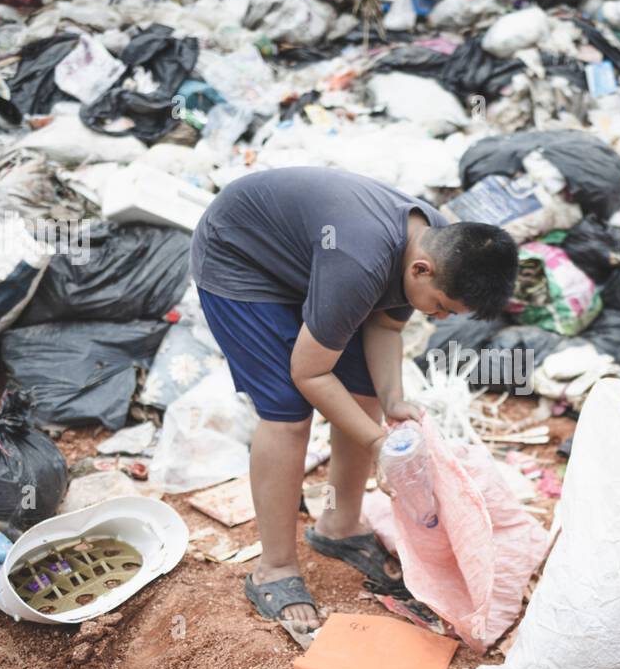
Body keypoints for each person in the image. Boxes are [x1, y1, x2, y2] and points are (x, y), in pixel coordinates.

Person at [191, 166, 519, 632]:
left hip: (308, 262)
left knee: (361, 388)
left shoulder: (432, 243)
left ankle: (339, 526)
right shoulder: (361, 260)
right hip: (240, 258)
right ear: (421, 270)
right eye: (442, 307)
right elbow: (309, 372)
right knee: (288, 411)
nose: (441, 318)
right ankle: (275, 568)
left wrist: (392, 399)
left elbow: (385, 324)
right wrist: (376, 444)